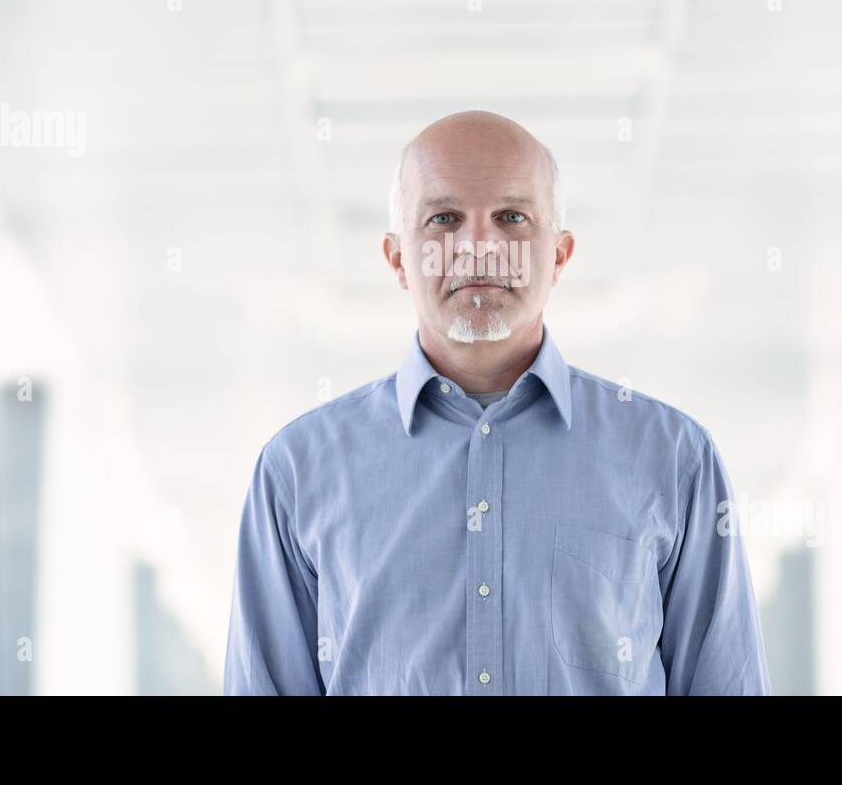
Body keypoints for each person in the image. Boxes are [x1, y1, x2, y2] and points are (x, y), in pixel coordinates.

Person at [223, 109, 771, 695]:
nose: (479, 248)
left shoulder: (672, 459)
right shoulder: (298, 471)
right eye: (444, 219)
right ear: (397, 259)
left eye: (511, 218)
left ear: (559, 256)